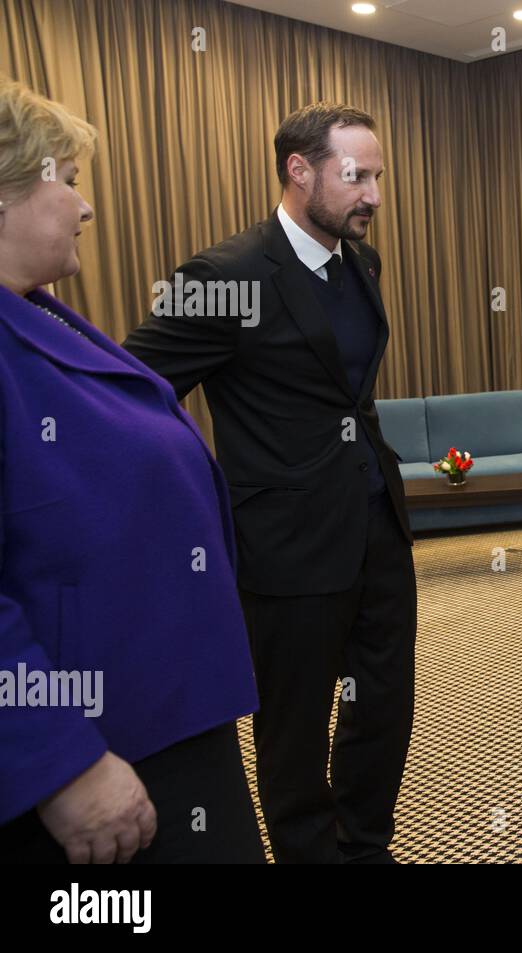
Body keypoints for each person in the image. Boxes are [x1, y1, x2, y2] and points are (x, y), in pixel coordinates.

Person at [123, 102, 416, 864]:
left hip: (377, 525)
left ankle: (365, 843)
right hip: (284, 547)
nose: (374, 195)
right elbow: (129, 390)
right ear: (299, 170)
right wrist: (206, 492)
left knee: (381, 705)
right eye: (358, 175)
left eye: (378, 176)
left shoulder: (362, 264)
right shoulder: (226, 275)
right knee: (295, 724)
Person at [0, 78, 262, 863]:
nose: (84, 208)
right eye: (70, 183)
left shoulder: (41, 310)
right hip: (88, 753)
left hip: (161, 718)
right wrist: (56, 759)